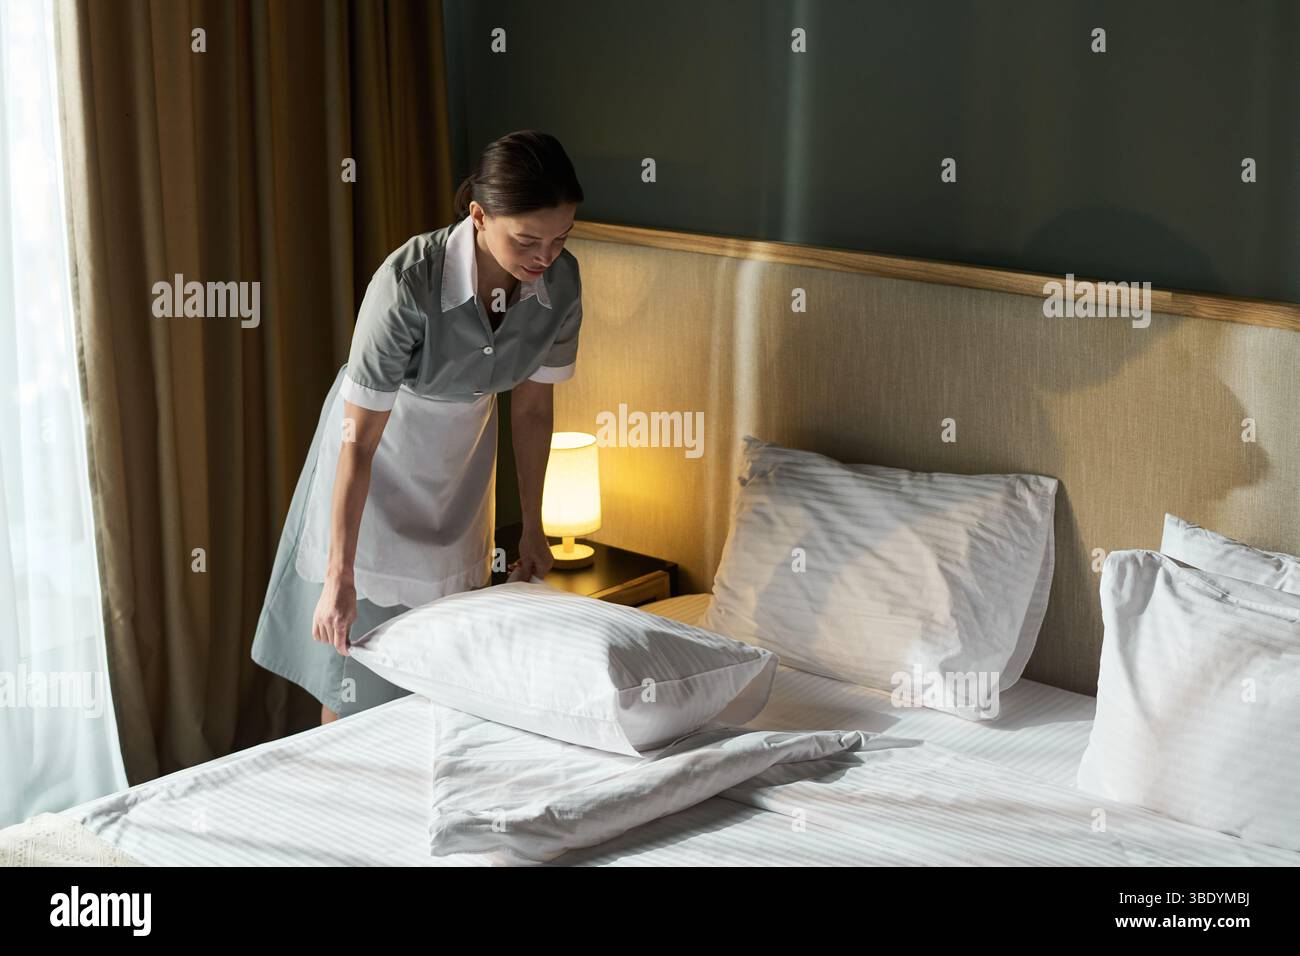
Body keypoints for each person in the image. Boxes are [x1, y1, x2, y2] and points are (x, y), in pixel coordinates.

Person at [251, 130, 584, 724]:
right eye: (528, 239)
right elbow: (359, 442)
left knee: (443, 666)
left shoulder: (560, 286)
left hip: (460, 462)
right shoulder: (407, 283)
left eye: (561, 238)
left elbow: (532, 410)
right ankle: (346, 801)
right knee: (356, 670)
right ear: (479, 215)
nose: (545, 257)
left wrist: (535, 525)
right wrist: (340, 573)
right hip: (381, 455)